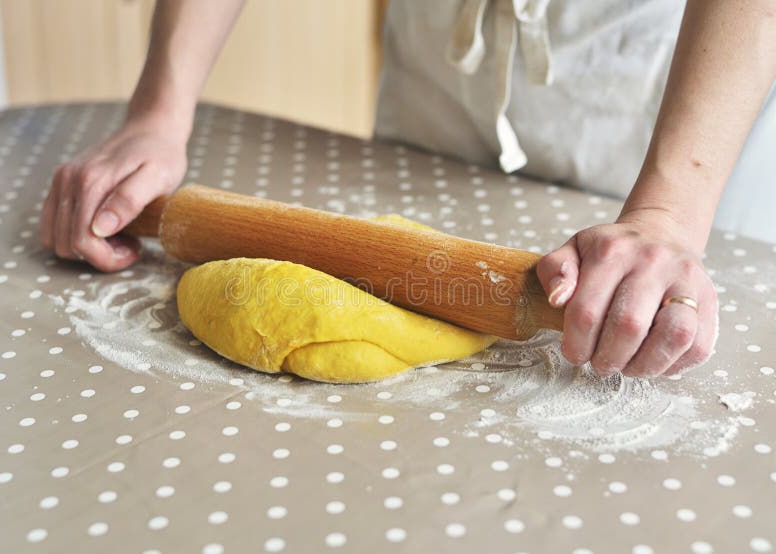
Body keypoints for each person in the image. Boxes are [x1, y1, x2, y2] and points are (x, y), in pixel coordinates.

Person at [39, 0, 776, 379]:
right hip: (438, 76)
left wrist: (667, 212)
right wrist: (159, 112)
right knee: (411, 249)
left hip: (666, 90)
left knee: (640, 302)